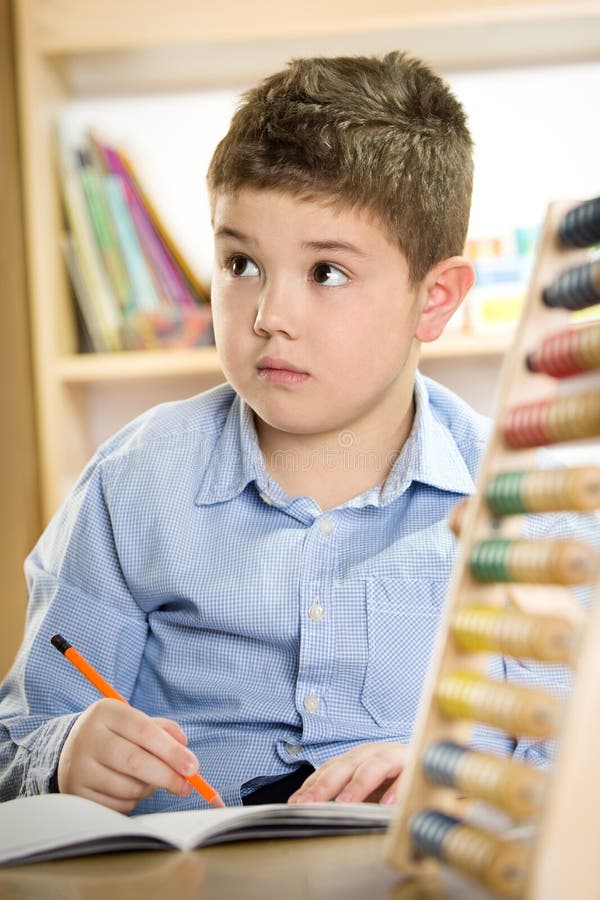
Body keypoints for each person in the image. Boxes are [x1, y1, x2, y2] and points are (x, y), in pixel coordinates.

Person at [0, 51, 595, 814]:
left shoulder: (525, 505)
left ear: (435, 299)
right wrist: (65, 753)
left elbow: (575, 766)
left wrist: (452, 778)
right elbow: (18, 739)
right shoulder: (133, 481)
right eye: (241, 262)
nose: (268, 315)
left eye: (327, 273)